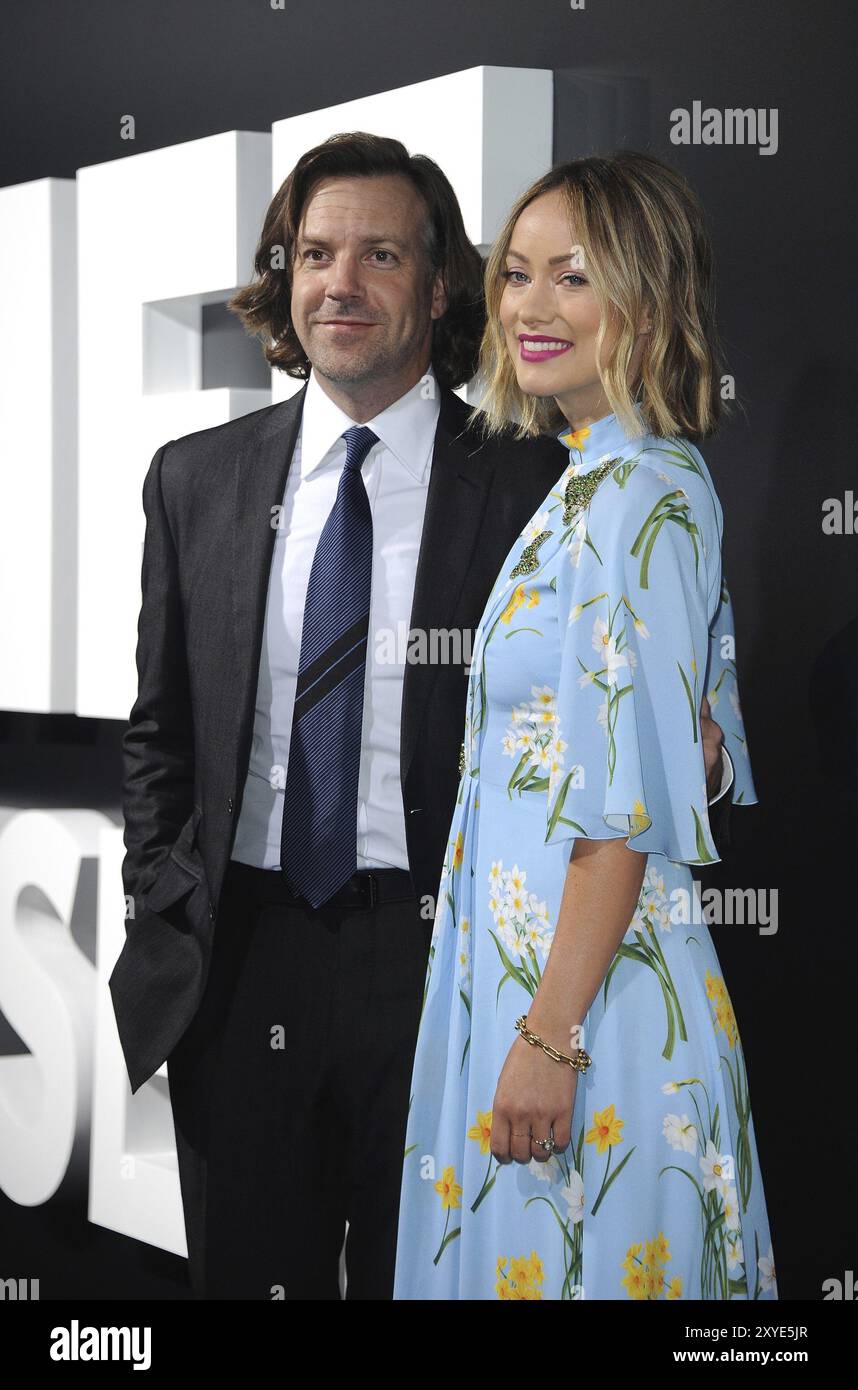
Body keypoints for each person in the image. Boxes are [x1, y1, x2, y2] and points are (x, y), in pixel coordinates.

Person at [109, 134, 730, 1300]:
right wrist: (164, 893)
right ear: (284, 276)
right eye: (314, 253)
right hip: (243, 965)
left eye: (380, 253)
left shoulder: (544, 474)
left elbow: (635, 726)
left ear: (439, 287)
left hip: (449, 959)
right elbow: (160, 733)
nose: (340, 282)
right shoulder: (194, 478)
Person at [393, 151, 776, 1301]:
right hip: (543, 1005)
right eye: (516, 274)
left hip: (594, 1033)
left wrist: (551, 1038)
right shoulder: (584, 481)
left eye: (573, 276)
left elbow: (627, 806)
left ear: (648, 302)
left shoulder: (647, 492)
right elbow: (680, 751)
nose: (530, 307)